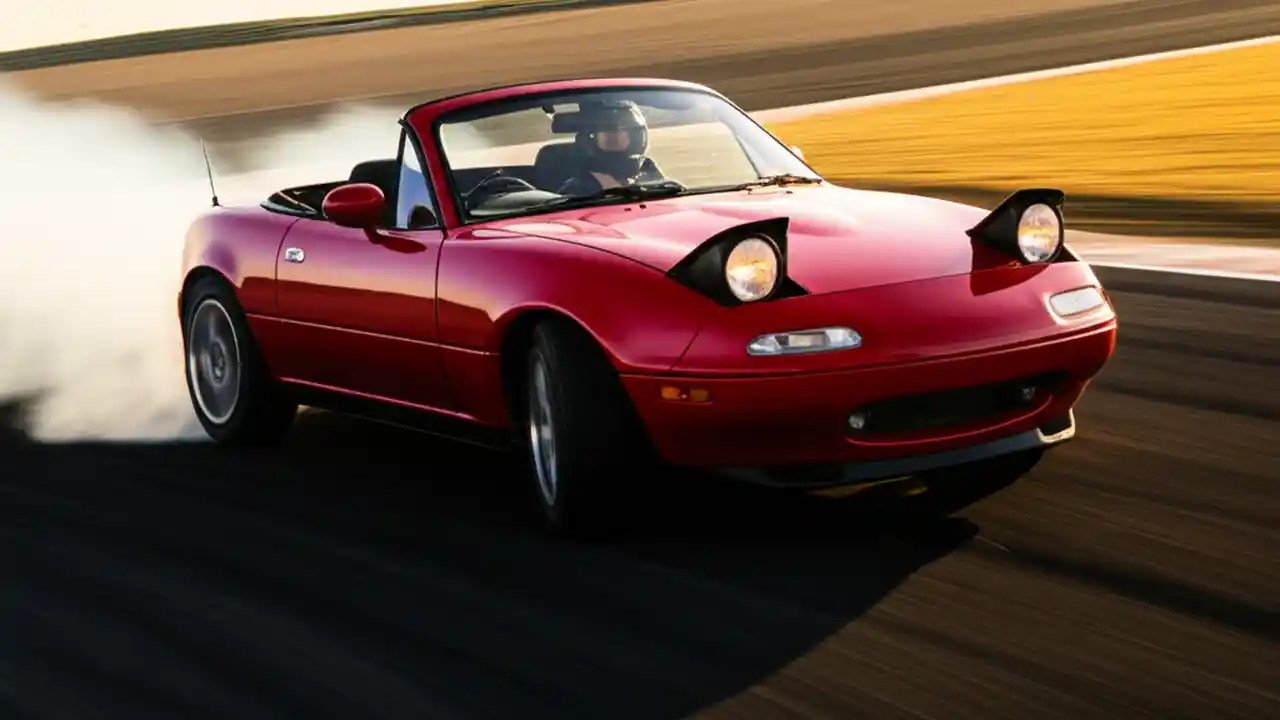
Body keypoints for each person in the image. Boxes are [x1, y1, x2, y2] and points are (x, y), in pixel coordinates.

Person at [557, 99, 664, 195]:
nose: (621, 135)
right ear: (591, 137)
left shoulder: (647, 168)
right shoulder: (577, 189)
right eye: (610, 129)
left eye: (627, 129)